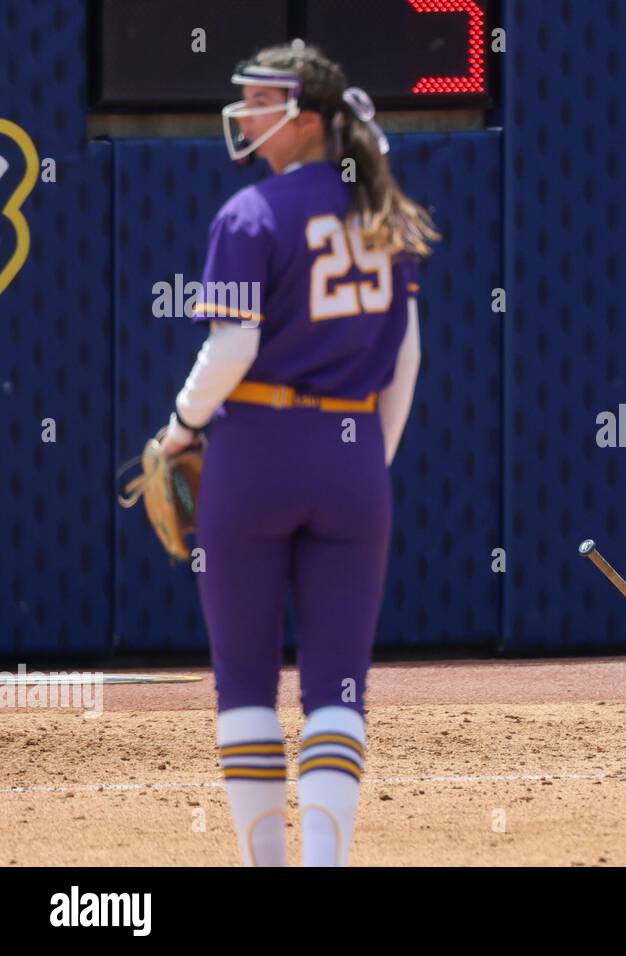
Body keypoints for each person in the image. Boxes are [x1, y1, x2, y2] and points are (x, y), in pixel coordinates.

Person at [156, 42, 437, 864]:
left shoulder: (249, 215)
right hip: (352, 461)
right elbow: (408, 363)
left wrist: (177, 429)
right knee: (338, 690)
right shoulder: (387, 215)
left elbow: (232, 348)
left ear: (305, 120)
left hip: (253, 450)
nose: (242, 116)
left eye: (258, 102)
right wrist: (363, 465)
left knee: (244, 684)